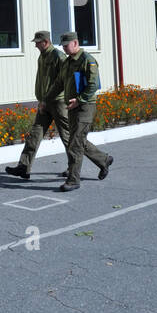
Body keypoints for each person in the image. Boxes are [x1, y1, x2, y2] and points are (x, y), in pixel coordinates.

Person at [54, 31, 112, 192]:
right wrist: (46, 99)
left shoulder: (88, 61)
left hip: (85, 106)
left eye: (66, 46)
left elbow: (93, 85)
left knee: (75, 144)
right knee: (78, 140)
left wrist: (79, 100)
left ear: (75, 43)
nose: (64, 49)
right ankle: (104, 160)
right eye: (63, 46)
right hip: (72, 106)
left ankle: (73, 180)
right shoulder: (67, 63)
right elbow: (59, 83)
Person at [5, 31, 67, 180]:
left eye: (37, 42)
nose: (35, 45)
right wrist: (42, 100)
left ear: (45, 42)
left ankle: (99, 160)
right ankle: (23, 167)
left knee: (68, 137)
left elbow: (66, 80)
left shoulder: (59, 57)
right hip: (45, 103)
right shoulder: (42, 56)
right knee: (35, 134)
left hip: (58, 102)